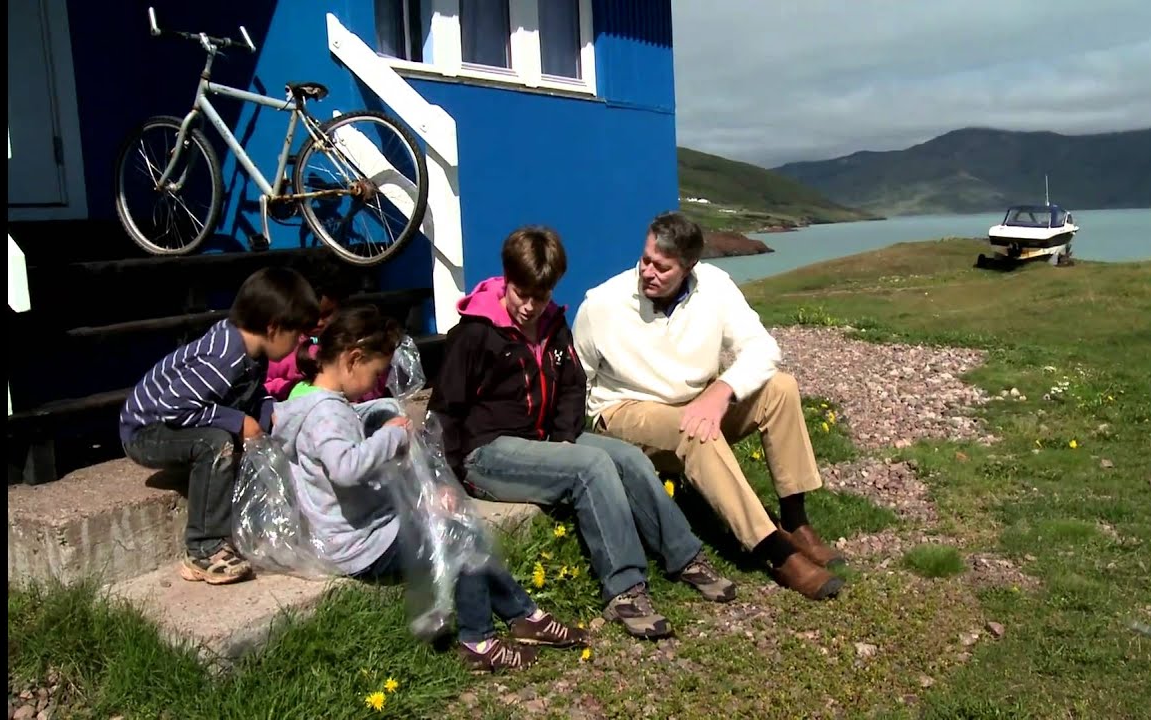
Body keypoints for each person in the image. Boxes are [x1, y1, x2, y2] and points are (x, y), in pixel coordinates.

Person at [427, 226, 736, 641]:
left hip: (542, 438)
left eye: (541, 296)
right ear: (507, 279)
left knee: (627, 457)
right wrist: (442, 477)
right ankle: (625, 588)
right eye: (522, 293)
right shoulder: (475, 333)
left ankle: (685, 555)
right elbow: (444, 408)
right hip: (485, 453)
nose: (530, 306)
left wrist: (563, 438)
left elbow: (572, 384)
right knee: (590, 466)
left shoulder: (553, 324)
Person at [272, 304, 585, 673]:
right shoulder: (327, 413)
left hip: (367, 526)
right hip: (359, 543)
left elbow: (348, 433)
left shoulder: (320, 403)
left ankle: (523, 615)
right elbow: (345, 467)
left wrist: (381, 415)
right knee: (460, 538)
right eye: (376, 371)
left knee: (462, 528)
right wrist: (392, 436)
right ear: (353, 359)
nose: (376, 379)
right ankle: (478, 641)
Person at [572, 211, 846, 602]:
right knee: (696, 428)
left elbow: (763, 348)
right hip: (627, 409)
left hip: (695, 400)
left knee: (780, 388)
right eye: (645, 260)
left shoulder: (715, 286)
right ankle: (776, 551)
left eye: (662, 267)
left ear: (689, 267)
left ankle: (796, 521)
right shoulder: (601, 305)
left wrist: (723, 391)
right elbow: (574, 379)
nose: (647, 272)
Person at [119, 266, 320, 586]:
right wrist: (238, 421)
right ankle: (203, 549)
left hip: (177, 420)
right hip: (146, 431)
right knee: (217, 443)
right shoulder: (224, 356)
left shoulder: (253, 352)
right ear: (273, 328)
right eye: (297, 334)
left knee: (229, 436)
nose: (300, 342)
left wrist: (268, 413)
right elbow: (173, 406)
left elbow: (255, 394)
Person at [265, 260, 389, 402]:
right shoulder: (284, 348)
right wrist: (293, 386)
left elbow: (373, 385)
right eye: (311, 315)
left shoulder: (351, 342)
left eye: (327, 314)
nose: (318, 322)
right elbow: (266, 384)